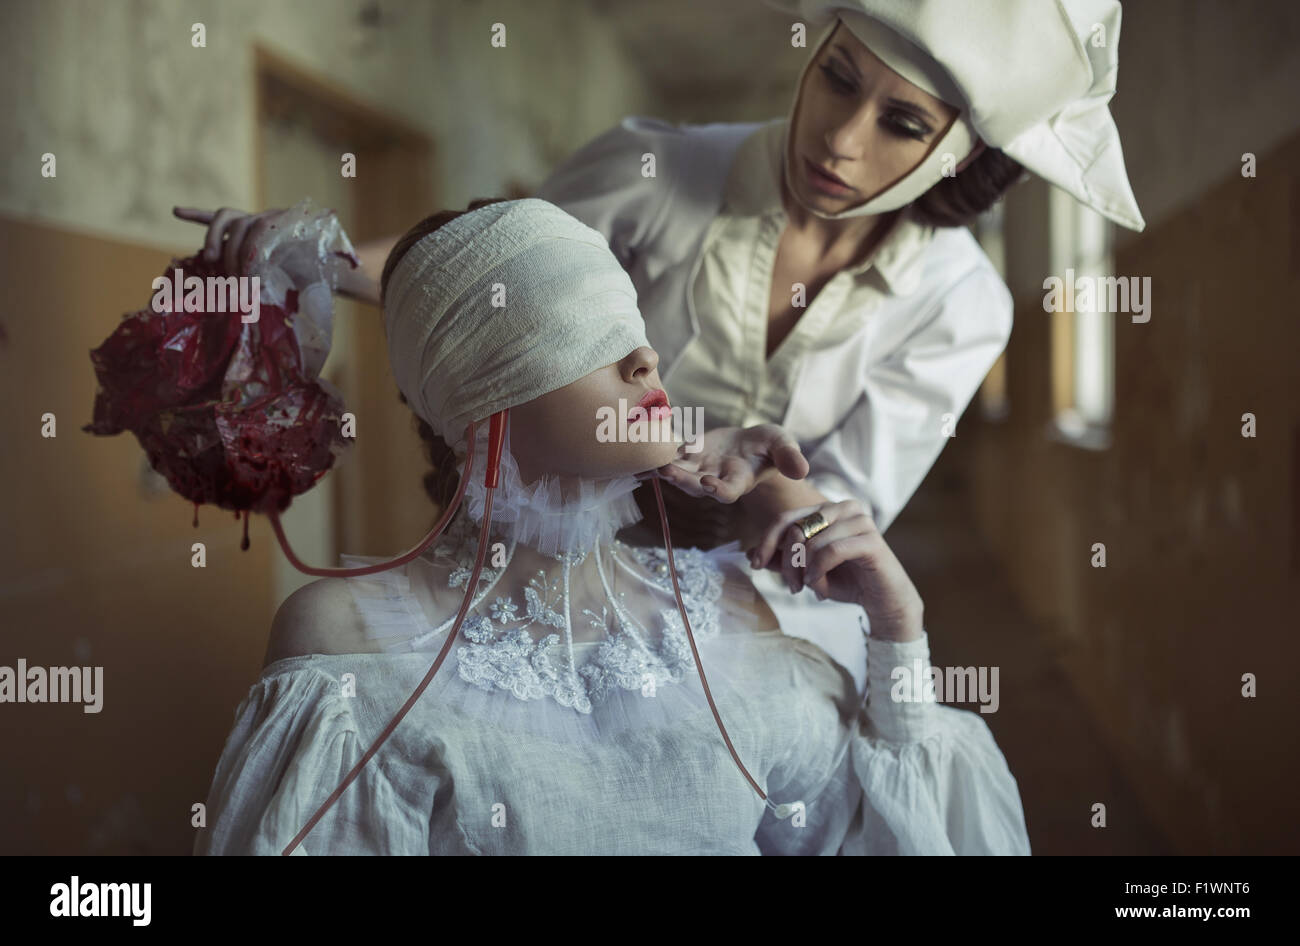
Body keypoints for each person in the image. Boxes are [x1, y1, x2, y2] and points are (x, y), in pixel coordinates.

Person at [176, 0, 1146, 696]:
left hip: (757, 607)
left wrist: (759, 483)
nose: (840, 140)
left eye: (900, 124)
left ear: (958, 151)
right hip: (544, 560)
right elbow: (493, 273)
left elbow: (841, 507)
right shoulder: (656, 169)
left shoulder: (962, 300)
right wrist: (313, 252)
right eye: (837, 77)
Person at [192, 198, 1030, 855]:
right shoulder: (348, 654)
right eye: (579, 329)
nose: (644, 361)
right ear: (476, 391)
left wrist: (898, 634)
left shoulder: (730, 621)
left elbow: (879, 835)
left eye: (633, 330)